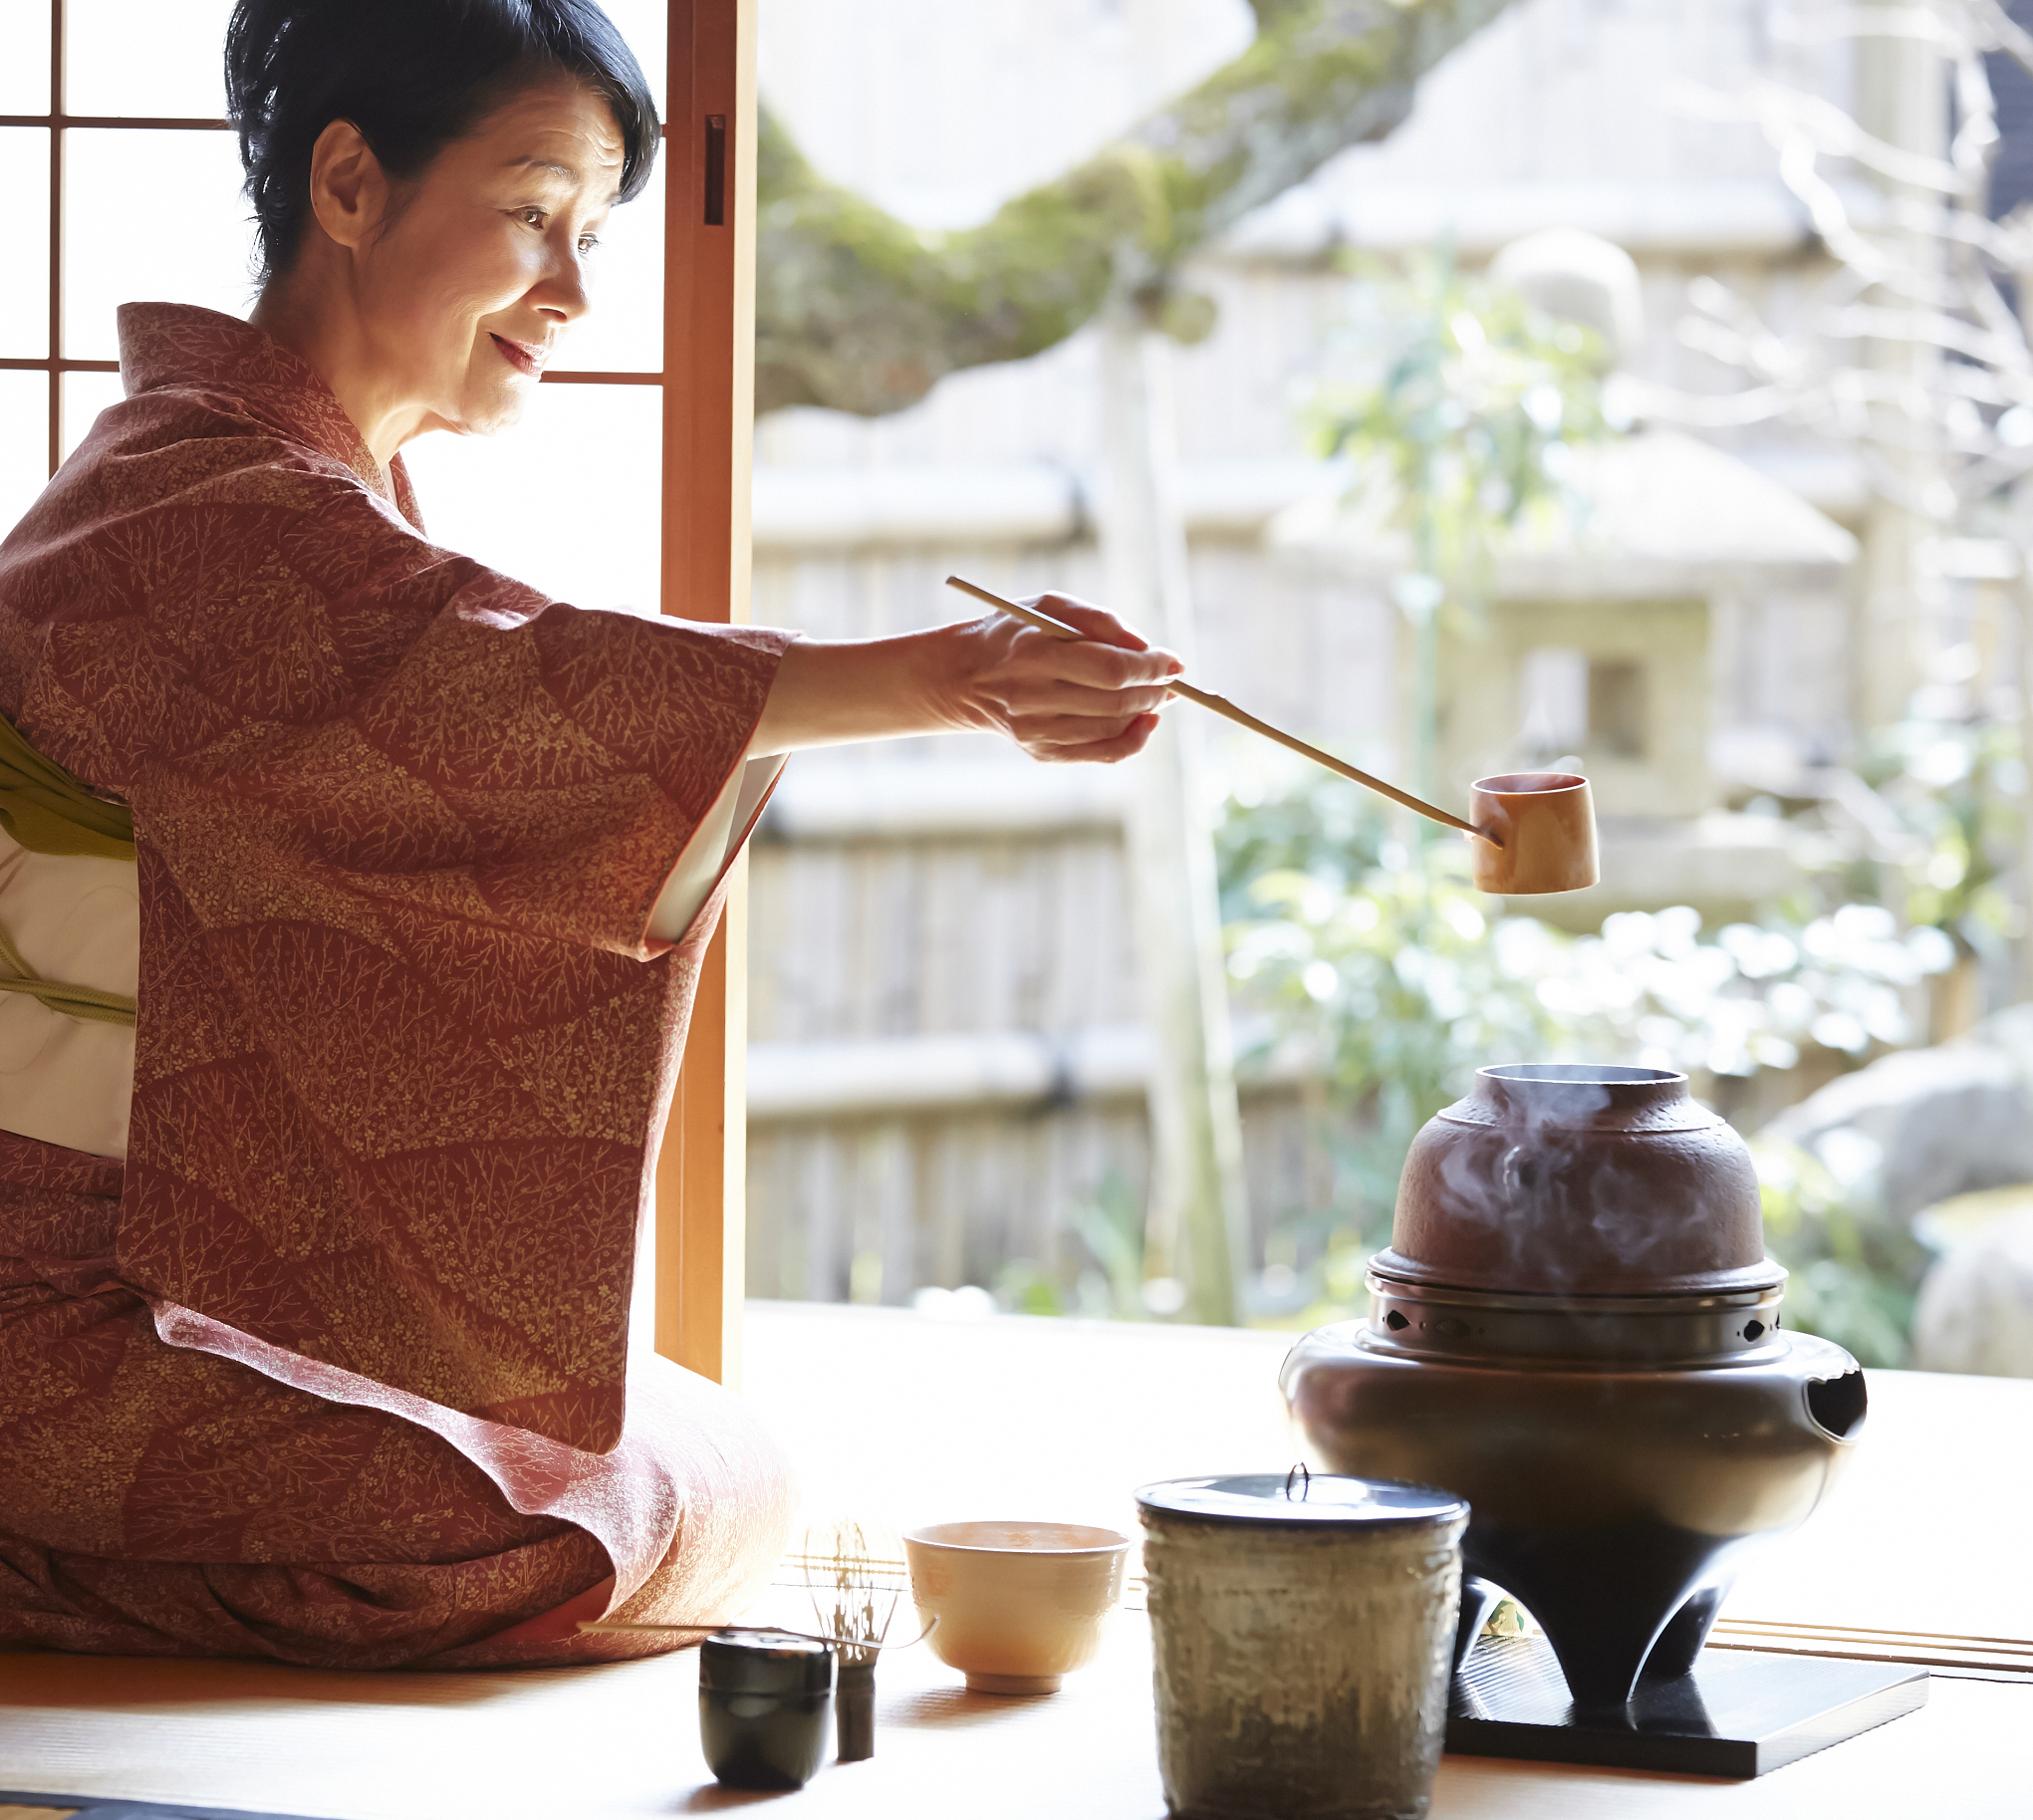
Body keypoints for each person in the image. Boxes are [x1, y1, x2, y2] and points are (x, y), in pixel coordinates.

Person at [0, 0, 1173, 1670]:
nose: (573, 289)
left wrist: (953, 683)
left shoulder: (296, 500)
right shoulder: (186, 511)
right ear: (350, 181)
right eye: (535, 213)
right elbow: (505, 684)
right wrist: (946, 679)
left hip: (174, 1283)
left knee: (714, 1478)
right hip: (51, 1301)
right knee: (525, 1531)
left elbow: (461, 697)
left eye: (596, 232)